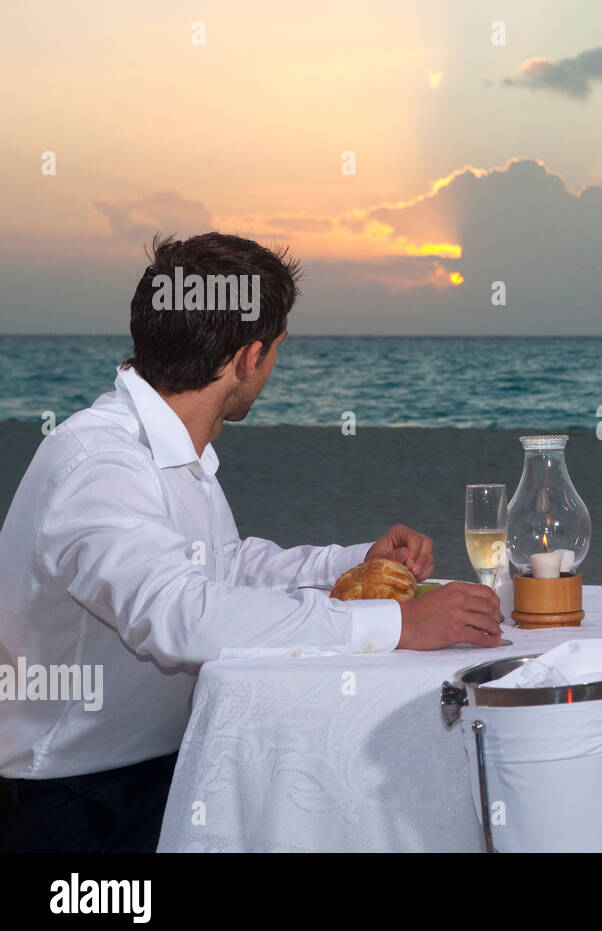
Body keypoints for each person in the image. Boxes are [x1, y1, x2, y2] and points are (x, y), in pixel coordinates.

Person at [0, 232, 504, 853]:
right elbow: (179, 616)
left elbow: (224, 569)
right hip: (73, 802)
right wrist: (397, 624)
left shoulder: (174, 450)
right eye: (275, 352)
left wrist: (353, 566)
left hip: (156, 771)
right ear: (250, 356)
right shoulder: (98, 460)